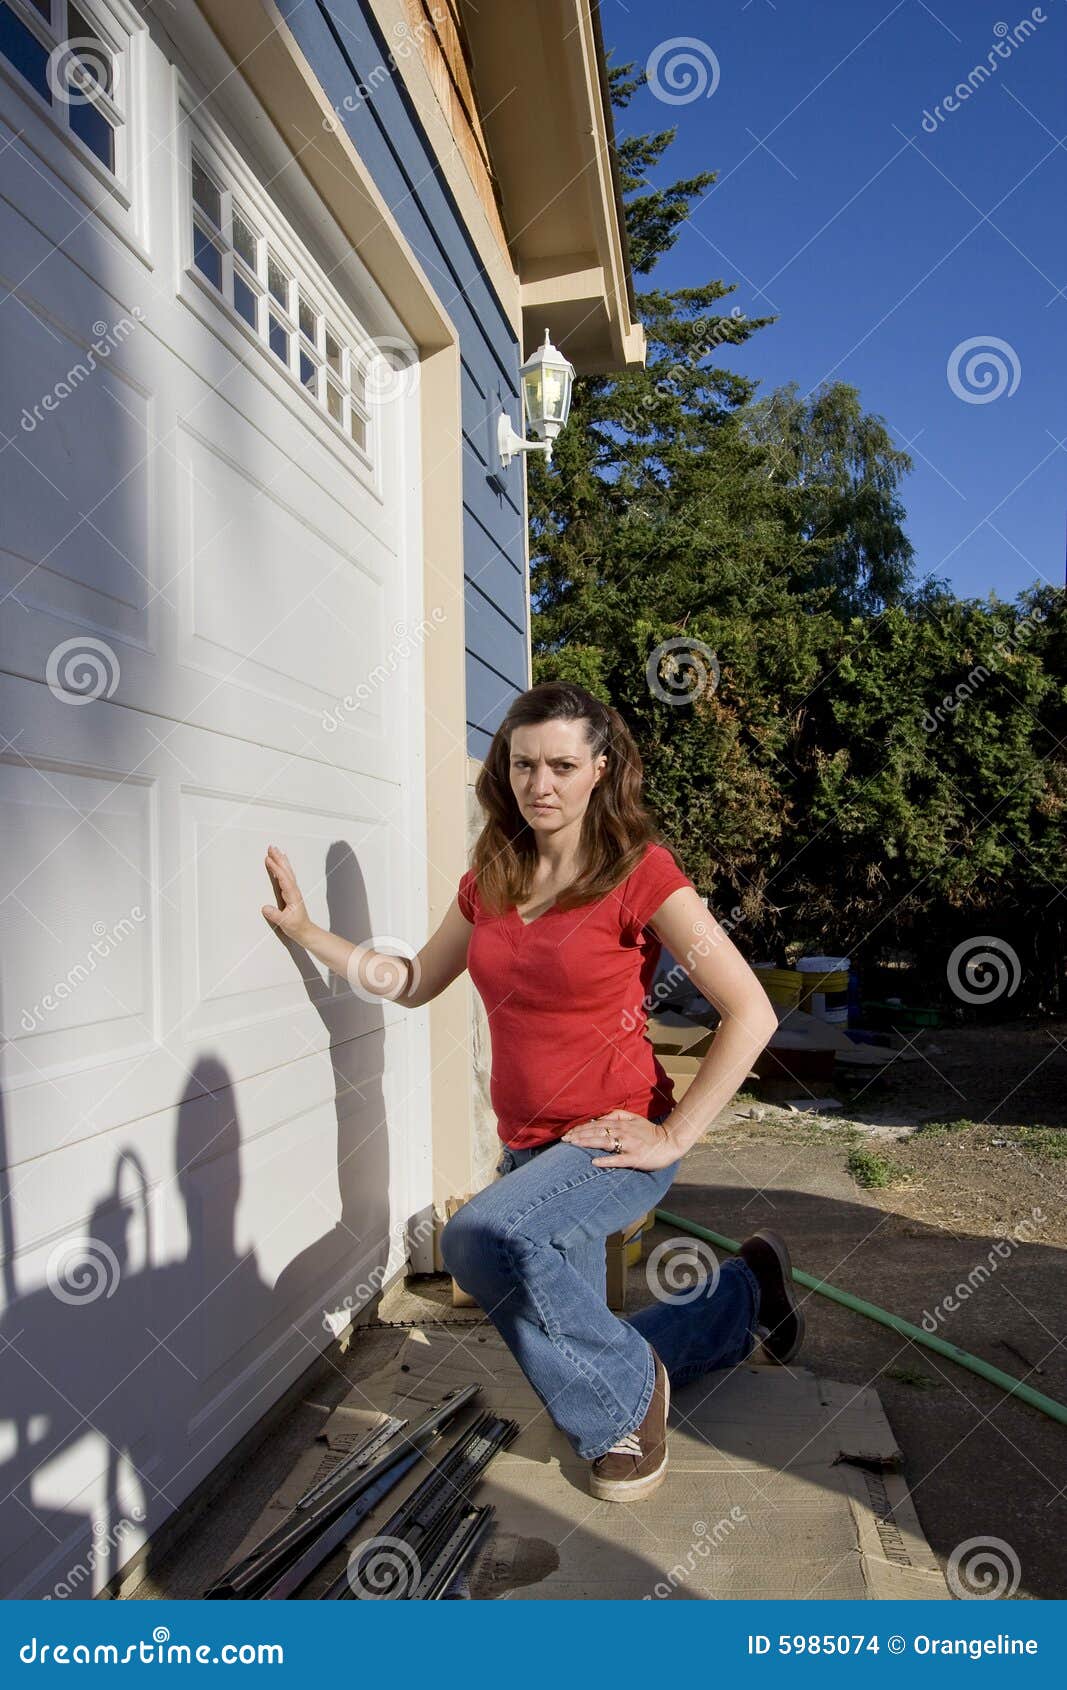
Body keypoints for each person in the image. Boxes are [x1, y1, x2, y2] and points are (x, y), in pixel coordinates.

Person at [261, 681, 804, 1503]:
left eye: (561, 765)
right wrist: (308, 933)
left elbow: (749, 1011)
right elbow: (411, 981)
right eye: (522, 765)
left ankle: (630, 1407)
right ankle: (744, 1295)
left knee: (480, 1240)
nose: (539, 784)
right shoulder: (491, 878)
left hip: (611, 1145)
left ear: (600, 769)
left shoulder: (641, 874)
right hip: (528, 1152)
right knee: (579, 1352)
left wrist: (674, 1135)